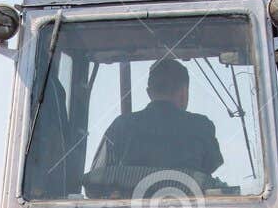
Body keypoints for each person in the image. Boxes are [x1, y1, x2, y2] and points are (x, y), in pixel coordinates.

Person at [92, 57, 223, 177]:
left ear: (149, 93)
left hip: (130, 203)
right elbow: (209, 170)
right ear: (184, 92)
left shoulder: (120, 126)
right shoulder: (202, 126)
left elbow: (97, 178)